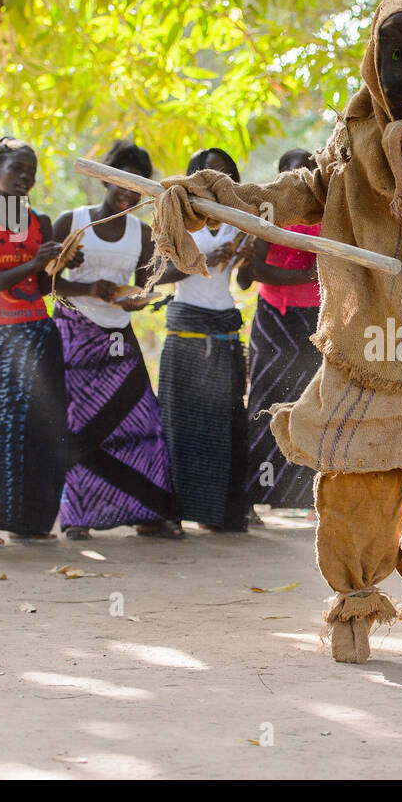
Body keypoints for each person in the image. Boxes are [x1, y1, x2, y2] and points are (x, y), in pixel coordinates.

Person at [157, 0, 402, 664]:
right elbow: (310, 187)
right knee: (355, 474)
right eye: (399, 55)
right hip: (371, 342)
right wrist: (231, 199)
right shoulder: (357, 134)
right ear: (374, 61)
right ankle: (355, 601)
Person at [52, 140, 179, 540]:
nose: (127, 191)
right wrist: (91, 289)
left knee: (143, 422)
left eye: (136, 184)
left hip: (118, 341)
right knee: (78, 425)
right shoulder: (71, 222)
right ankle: (78, 517)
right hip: (74, 336)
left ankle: (148, 511)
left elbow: (140, 291)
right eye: (120, 180)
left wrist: (135, 302)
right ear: (105, 177)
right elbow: (48, 284)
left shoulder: (141, 234)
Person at [0, 137, 75, 548]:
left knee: (40, 431)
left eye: (31, 170)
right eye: (16, 168)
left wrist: (58, 265)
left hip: (38, 334)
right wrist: (35, 261)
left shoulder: (39, 221)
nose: (25, 177)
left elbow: (42, 286)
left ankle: (31, 522)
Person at [155, 147, 254, 532]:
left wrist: (247, 256)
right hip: (186, 330)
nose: (218, 182)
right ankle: (172, 513)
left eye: (226, 175)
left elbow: (245, 281)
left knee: (226, 425)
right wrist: (202, 260)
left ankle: (222, 516)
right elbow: (154, 276)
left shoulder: (239, 222)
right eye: (210, 174)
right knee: (179, 424)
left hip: (226, 329)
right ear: (193, 177)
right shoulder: (174, 217)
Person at [244, 148, 323, 515]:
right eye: (293, 171)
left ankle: (310, 497)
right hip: (274, 318)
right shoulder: (266, 210)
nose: (301, 177)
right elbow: (255, 269)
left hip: (317, 320)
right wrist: (307, 275)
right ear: (279, 176)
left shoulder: (330, 212)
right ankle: (258, 496)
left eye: (309, 169)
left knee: (312, 404)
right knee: (265, 401)